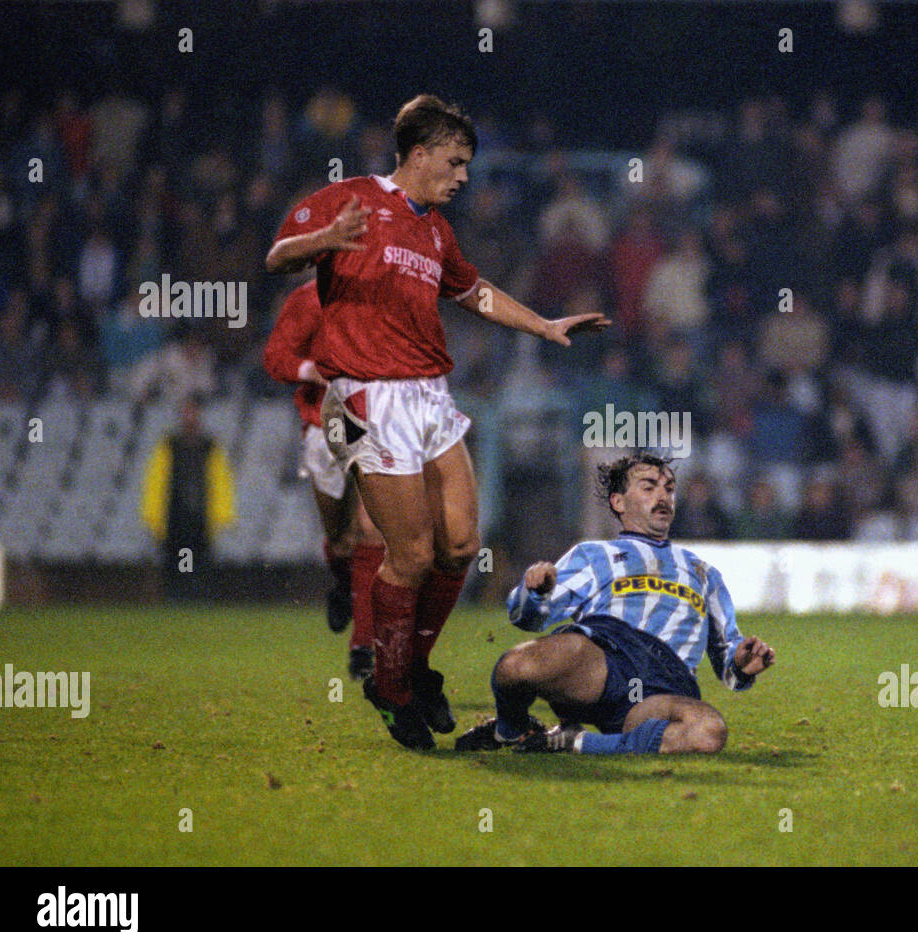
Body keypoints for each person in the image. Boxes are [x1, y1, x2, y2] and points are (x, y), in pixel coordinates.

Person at [264, 94, 608, 750]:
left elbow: (472, 291)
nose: (463, 176)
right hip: (366, 398)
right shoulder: (350, 199)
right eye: (455, 162)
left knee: (459, 545)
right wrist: (325, 241)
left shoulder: (436, 230)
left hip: (430, 395)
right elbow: (278, 256)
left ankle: (414, 666)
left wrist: (541, 323)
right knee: (410, 552)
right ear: (418, 153)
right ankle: (390, 689)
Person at [455, 453, 776, 755]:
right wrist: (535, 591)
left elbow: (729, 669)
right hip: (603, 660)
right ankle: (511, 730)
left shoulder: (704, 573)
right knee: (515, 667)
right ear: (618, 501)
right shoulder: (594, 555)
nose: (663, 497)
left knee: (708, 731)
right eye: (649, 487)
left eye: (669, 488)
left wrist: (742, 662)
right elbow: (525, 618)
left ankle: (575, 743)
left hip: (663, 686)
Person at [262, 279, 386, 680]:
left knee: (370, 532)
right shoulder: (309, 298)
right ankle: (342, 584)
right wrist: (308, 369)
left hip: (380, 424)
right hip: (324, 428)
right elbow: (275, 356)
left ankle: (362, 647)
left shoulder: (392, 293)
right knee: (340, 539)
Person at [140, 394, 235, 600]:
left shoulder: (210, 447)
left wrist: (220, 517)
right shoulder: (169, 446)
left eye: (193, 412)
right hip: (176, 519)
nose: (190, 416)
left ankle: (195, 599)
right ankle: (180, 598)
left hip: (201, 520)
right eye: (186, 412)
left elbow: (220, 484)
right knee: (181, 563)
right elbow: (156, 483)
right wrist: (154, 518)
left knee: (198, 563)